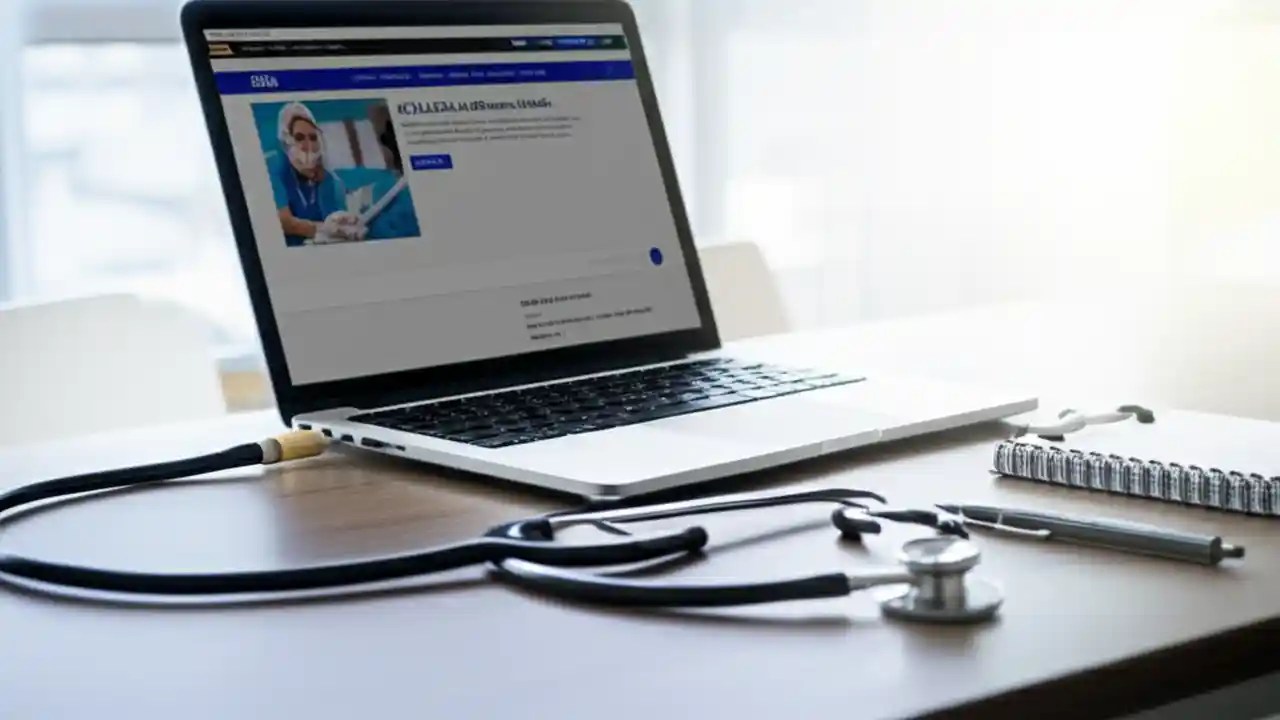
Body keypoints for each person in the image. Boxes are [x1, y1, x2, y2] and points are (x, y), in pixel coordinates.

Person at [272, 102, 365, 246]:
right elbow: (283, 222)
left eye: (313, 137)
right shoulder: (274, 170)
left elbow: (336, 225)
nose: (308, 145)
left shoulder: (330, 181)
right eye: (299, 137)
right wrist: (323, 229)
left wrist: (343, 226)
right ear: (285, 143)